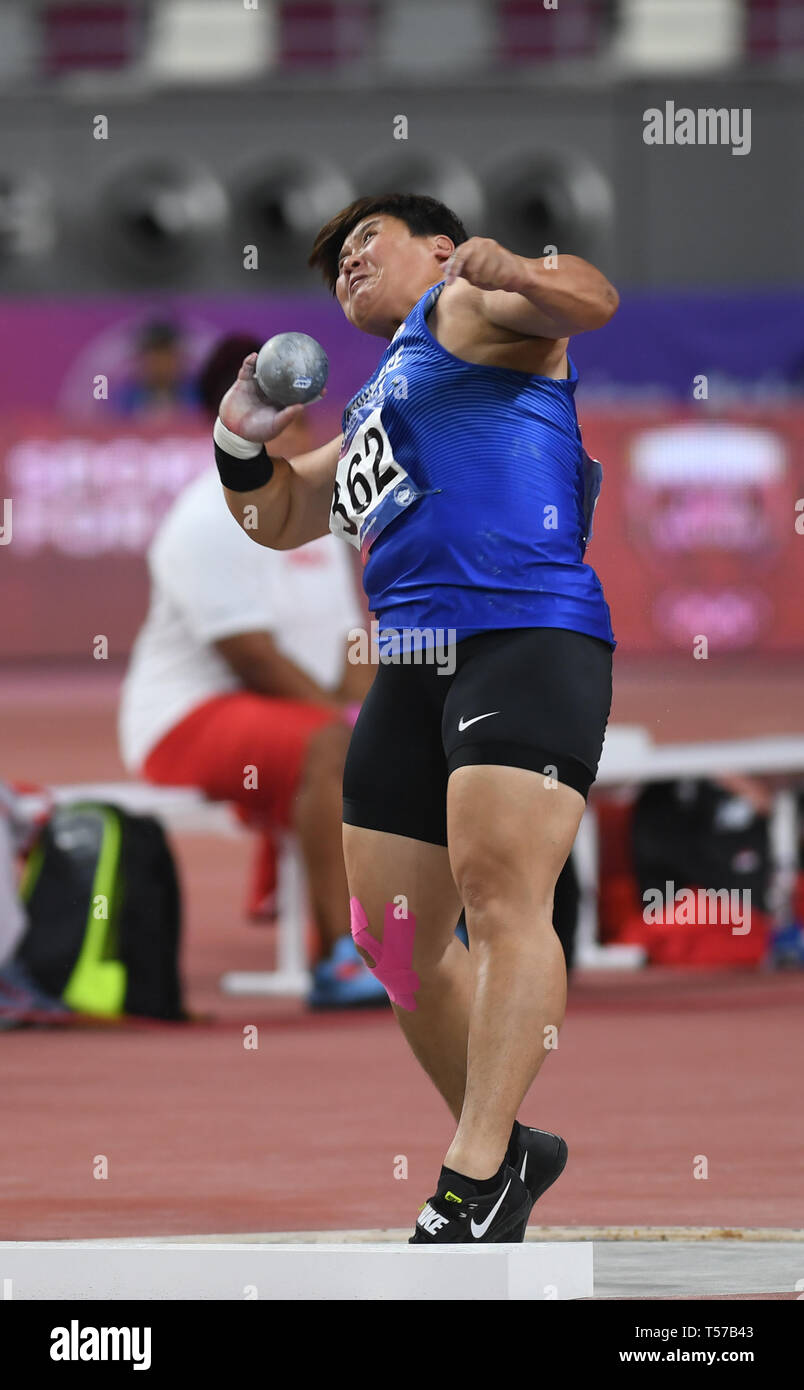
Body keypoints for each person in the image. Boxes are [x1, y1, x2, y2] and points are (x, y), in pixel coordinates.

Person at [212, 194, 618, 1242]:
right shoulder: (379, 403)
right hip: (413, 663)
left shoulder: (474, 300)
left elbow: (593, 299)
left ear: (439, 246)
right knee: (389, 944)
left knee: (502, 898)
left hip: (524, 636)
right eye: (332, 259)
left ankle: (471, 1182)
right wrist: (238, 443)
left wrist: (519, 268)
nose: (347, 259)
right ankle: (511, 1146)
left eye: (366, 240)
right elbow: (281, 517)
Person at [118, 333, 386, 1010]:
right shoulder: (204, 517)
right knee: (332, 745)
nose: (310, 414)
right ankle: (340, 959)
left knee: (402, 729)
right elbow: (251, 658)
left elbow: (351, 646)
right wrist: (342, 725)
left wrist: (386, 715)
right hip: (183, 718)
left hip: (276, 713)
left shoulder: (310, 507)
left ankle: (419, 932)